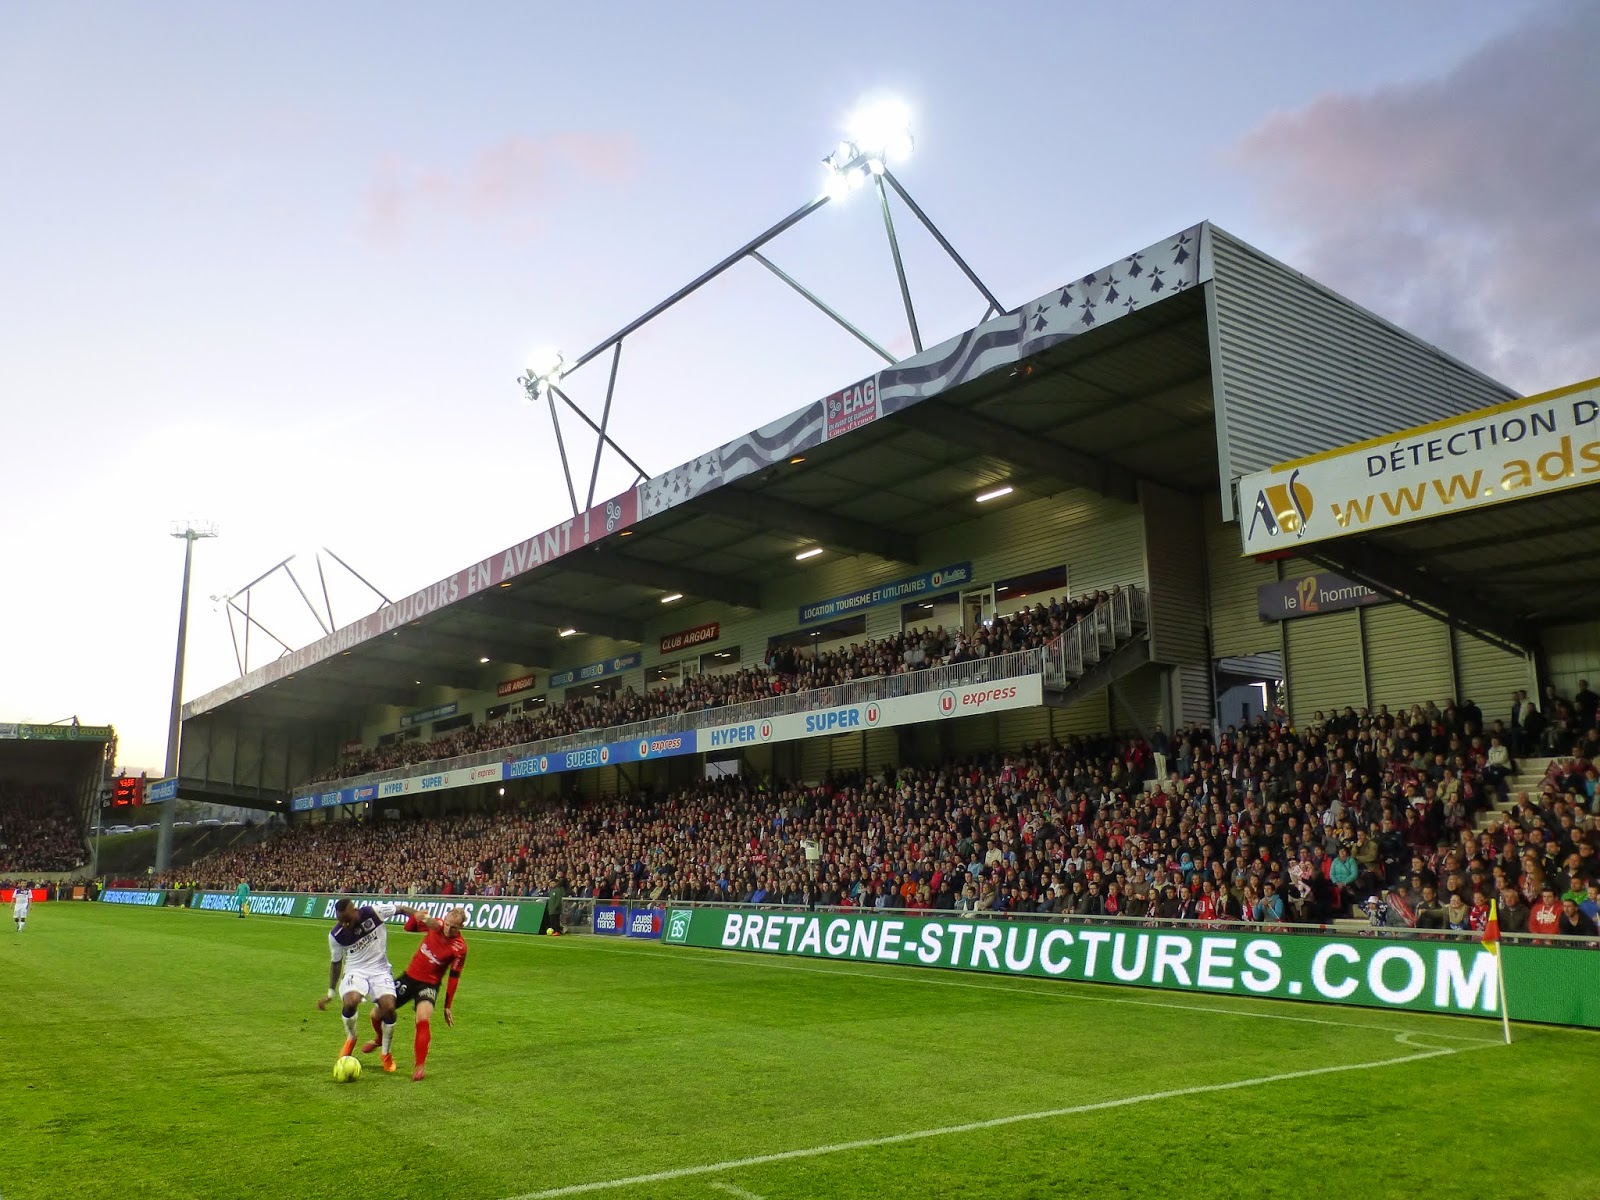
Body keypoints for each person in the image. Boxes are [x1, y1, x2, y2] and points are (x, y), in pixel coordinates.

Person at [364, 906, 468, 1081]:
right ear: (445, 919)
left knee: (423, 1019)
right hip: (409, 978)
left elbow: (454, 977)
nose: (448, 929)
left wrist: (447, 1006)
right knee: (376, 1013)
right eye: (448, 924)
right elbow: (409, 928)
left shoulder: (460, 948)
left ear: (461, 927)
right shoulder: (435, 925)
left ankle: (419, 1065)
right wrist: (417, 917)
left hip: (429, 984)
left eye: (454, 927)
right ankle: (379, 1038)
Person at [315, 898, 405, 1072]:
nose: (345, 924)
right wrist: (330, 993)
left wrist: (419, 917)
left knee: (389, 1008)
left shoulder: (374, 912)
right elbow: (336, 963)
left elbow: (401, 909)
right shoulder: (336, 935)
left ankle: (386, 1054)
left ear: (354, 910)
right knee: (350, 1002)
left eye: (347, 919)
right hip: (356, 970)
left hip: (380, 969)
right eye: (341, 920)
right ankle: (351, 1037)